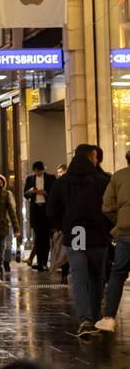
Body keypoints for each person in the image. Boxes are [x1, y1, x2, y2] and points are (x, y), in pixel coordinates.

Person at [49, 144, 113, 338]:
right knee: (96, 277)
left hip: (76, 233)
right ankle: (94, 317)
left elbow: (52, 209)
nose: (97, 161)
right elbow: (110, 207)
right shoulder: (102, 180)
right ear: (90, 157)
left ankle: (84, 319)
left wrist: (64, 226)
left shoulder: (63, 181)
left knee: (79, 276)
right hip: (98, 234)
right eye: (95, 157)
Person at [98, 151, 130, 331]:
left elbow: (107, 206)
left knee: (118, 274)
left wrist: (120, 222)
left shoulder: (118, 177)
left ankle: (109, 318)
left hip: (125, 233)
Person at [24, 161, 51, 269]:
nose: (38, 173)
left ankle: (45, 261)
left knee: (46, 237)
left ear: (42, 170)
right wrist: (31, 191)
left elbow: (53, 192)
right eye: (36, 171)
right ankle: (40, 262)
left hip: (46, 209)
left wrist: (45, 192)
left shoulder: (50, 178)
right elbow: (25, 195)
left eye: (39, 171)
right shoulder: (30, 179)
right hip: (36, 210)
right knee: (38, 237)